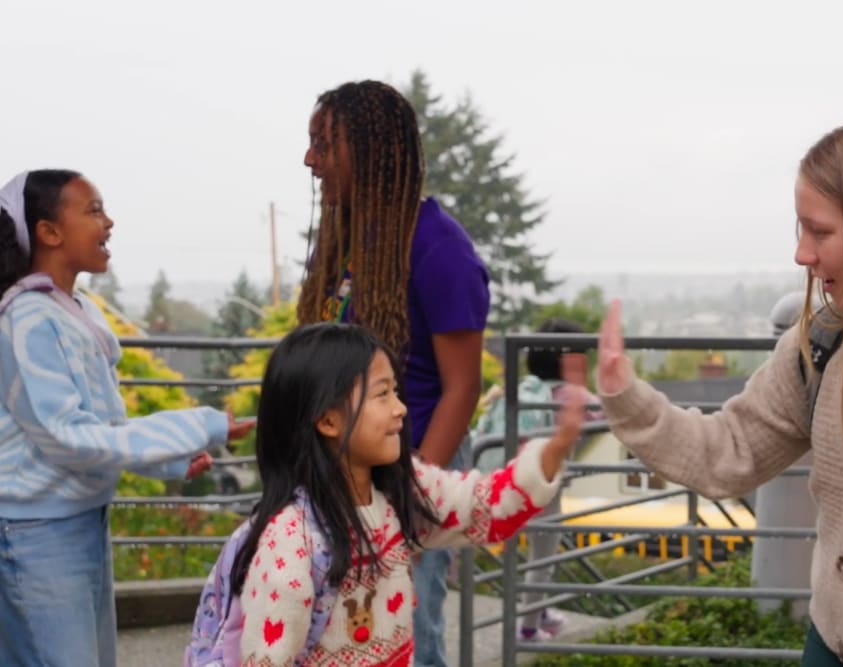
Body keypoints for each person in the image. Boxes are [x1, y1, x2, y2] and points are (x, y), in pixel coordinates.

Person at [594, 109, 843, 667]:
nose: (802, 254)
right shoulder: (823, 344)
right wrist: (626, 396)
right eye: (800, 229)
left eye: (821, 232)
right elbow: (729, 451)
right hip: (827, 648)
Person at [187, 322, 584, 666]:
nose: (400, 409)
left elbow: (483, 506)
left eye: (396, 391)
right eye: (382, 394)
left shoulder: (401, 491)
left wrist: (555, 447)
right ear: (327, 420)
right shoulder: (291, 541)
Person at [0, 169, 254, 667]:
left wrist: (166, 461)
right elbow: (67, 437)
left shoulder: (74, 308)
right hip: (36, 534)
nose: (109, 222)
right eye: (93, 210)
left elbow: (103, 428)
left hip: (76, 521)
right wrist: (200, 425)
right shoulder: (26, 319)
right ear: (49, 232)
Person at [299, 79, 490, 667]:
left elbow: (463, 386)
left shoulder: (440, 247)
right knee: (341, 635)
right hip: (341, 473)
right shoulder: (347, 238)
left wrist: (416, 496)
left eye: (323, 145)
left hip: (408, 470)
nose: (309, 161)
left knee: (404, 636)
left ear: (370, 151)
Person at [472, 317, 603, 641]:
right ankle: (529, 629)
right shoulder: (573, 394)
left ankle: (540, 612)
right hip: (544, 484)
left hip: (508, 479)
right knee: (542, 557)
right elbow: (608, 415)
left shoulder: (522, 388)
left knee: (523, 551)